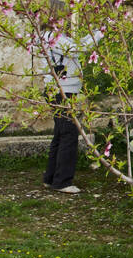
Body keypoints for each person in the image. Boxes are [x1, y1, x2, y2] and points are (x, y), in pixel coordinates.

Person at [40, 21, 103, 194]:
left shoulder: (53, 36)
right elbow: (77, 49)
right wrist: (99, 33)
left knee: (61, 134)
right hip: (62, 91)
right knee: (69, 133)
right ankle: (62, 182)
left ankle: (51, 177)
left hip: (62, 90)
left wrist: (94, 30)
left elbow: (76, 44)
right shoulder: (54, 37)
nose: (67, 22)